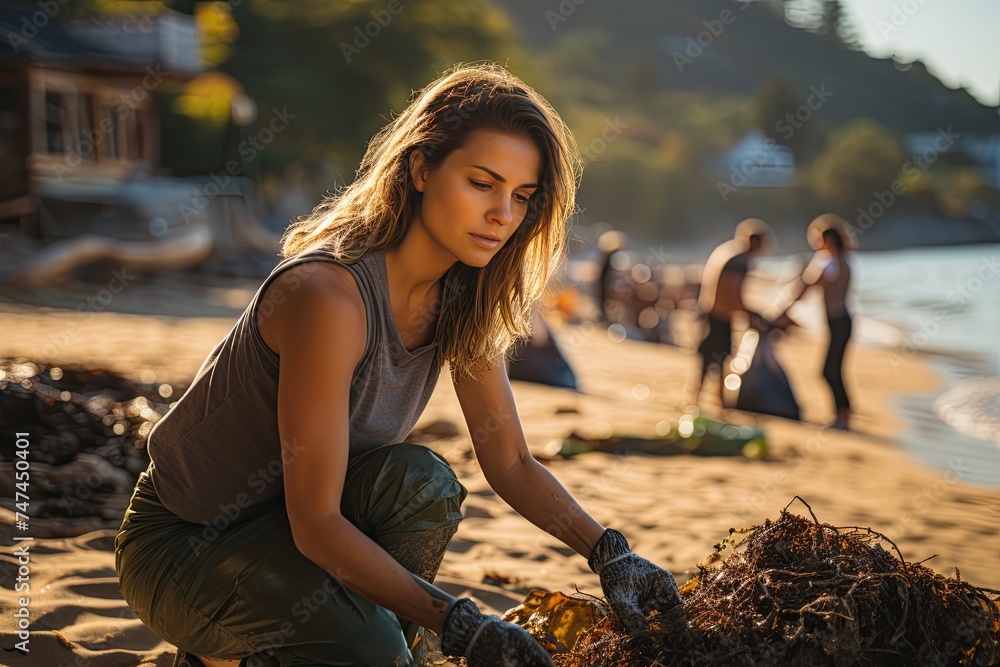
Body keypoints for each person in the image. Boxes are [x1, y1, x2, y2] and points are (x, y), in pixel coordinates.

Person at [114, 64, 682, 667]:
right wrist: (459, 623)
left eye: (521, 196)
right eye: (482, 183)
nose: (502, 215)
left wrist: (610, 552)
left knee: (423, 485)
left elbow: (510, 461)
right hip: (184, 545)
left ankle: (342, 640)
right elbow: (316, 523)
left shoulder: (464, 299)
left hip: (289, 536)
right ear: (420, 168)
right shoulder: (328, 296)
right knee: (375, 649)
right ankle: (244, 650)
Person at [779, 213, 855, 429]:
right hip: (841, 322)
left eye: (818, 239)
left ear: (827, 240)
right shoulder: (843, 260)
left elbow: (806, 286)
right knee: (833, 369)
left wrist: (784, 310)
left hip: (839, 322)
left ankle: (842, 416)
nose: (815, 244)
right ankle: (842, 414)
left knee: (829, 370)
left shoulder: (830, 262)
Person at [689, 218, 773, 409]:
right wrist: (749, 314)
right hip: (721, 315)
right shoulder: (740, 260)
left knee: (710, 358)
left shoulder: (729, 251)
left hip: (712, 311)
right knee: (718, 357)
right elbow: (733, 293)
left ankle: (703, 398)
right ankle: (716, 401)